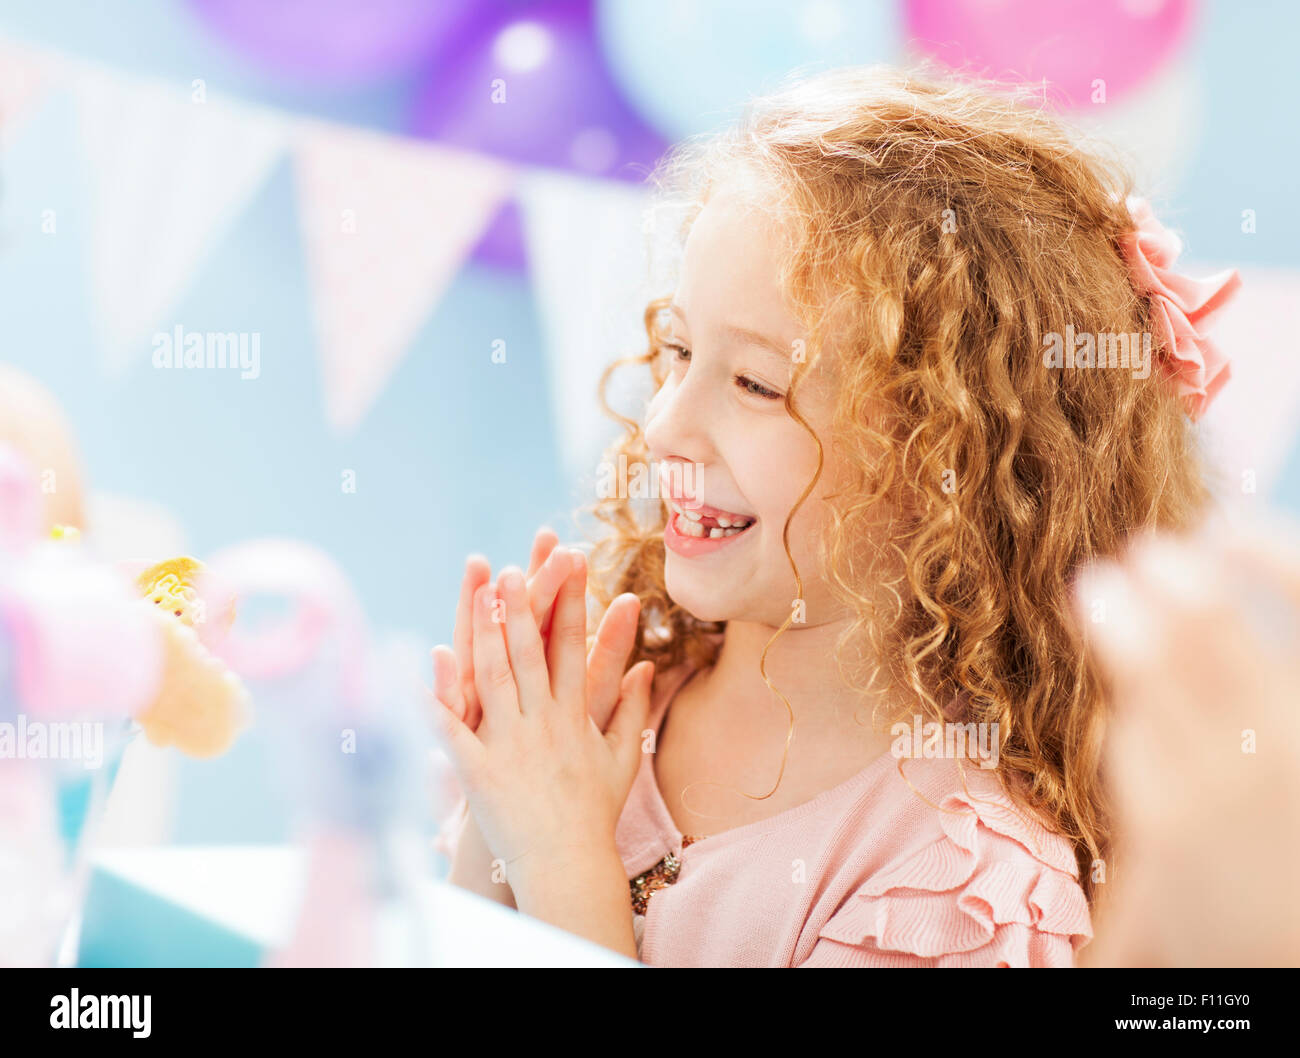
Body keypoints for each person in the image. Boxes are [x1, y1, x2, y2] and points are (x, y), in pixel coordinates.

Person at [429, 66, 1244, 966]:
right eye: (679, 350)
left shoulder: (955, 885)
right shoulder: (615, 705)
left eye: (755, 384)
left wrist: (557, 858)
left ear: (945, 460)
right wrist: (504, 795)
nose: (663, 423)